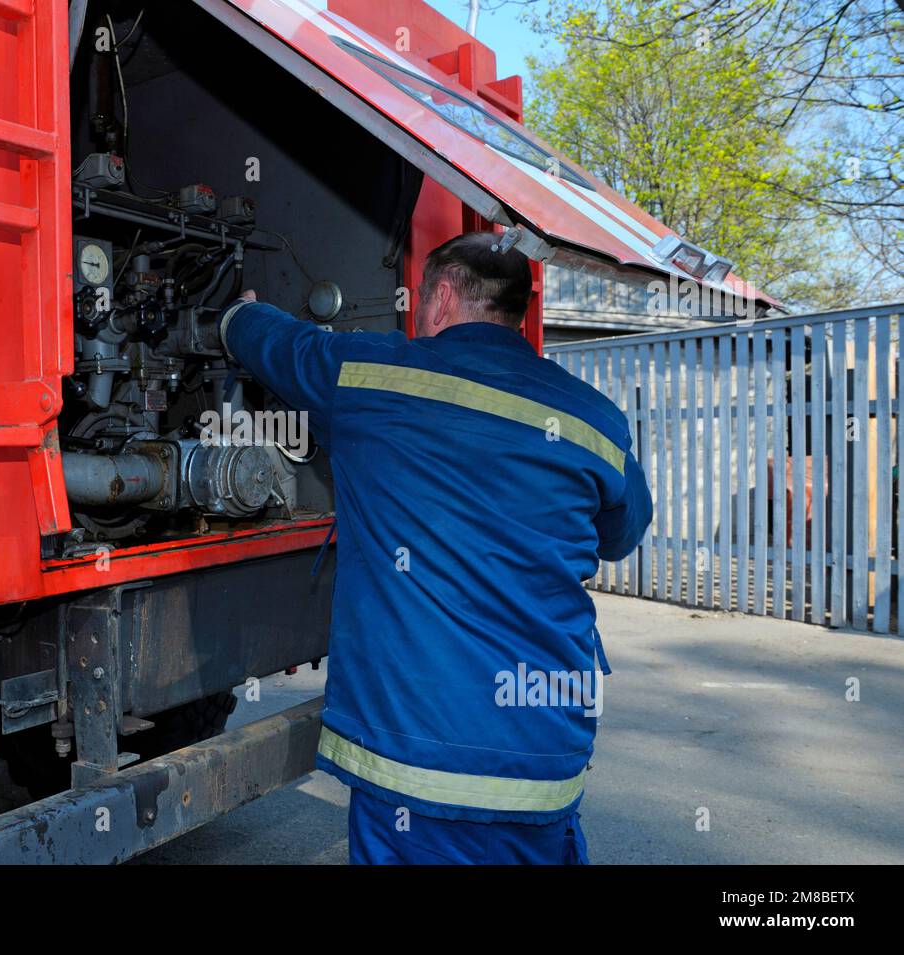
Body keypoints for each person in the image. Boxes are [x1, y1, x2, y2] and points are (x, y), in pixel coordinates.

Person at [219, 232, 653, 865]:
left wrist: (238, 313)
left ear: (443, 298)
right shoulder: (593, 419)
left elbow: (284, 347)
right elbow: (622, 535)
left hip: (419, 761)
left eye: (422, 300)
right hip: (545, 752)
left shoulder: (374, 375)